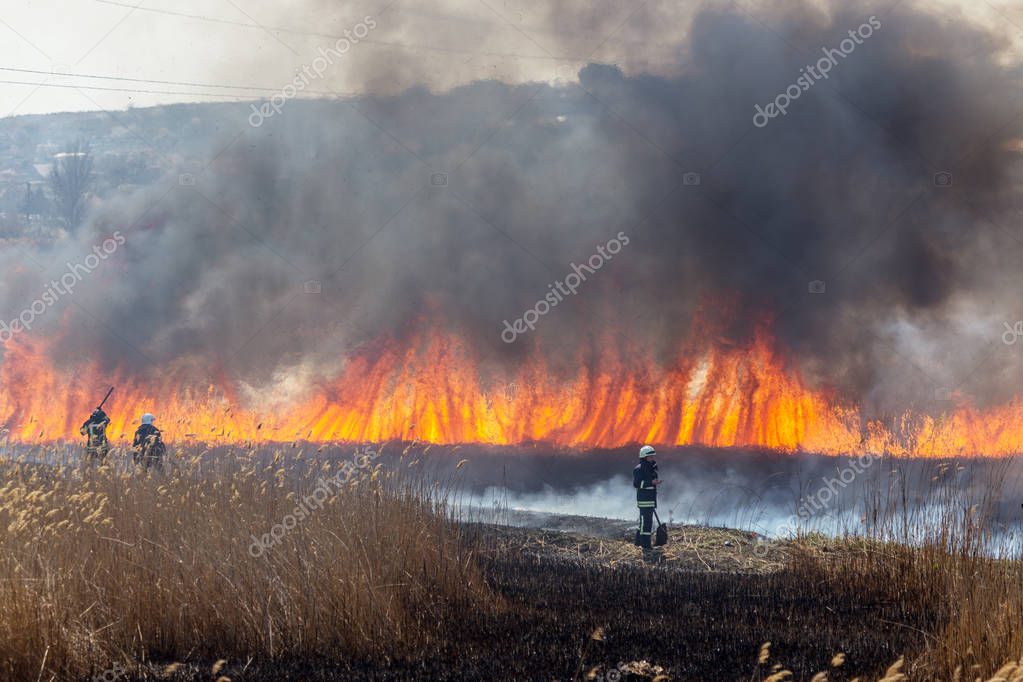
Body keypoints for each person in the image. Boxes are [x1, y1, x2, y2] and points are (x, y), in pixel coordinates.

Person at [633, 445, 660, 549]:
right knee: (646, 523)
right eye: (650, 456)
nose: (653, 458)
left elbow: (651, 481)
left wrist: (654, 482)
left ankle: (638, 543)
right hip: (644, 500)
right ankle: (646, 546)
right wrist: (651, 482)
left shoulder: (651, 468)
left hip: (650, 499)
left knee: (644, 523)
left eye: (653, 456)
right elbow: (636, 484)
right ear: (644, 457)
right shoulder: (639, 469)